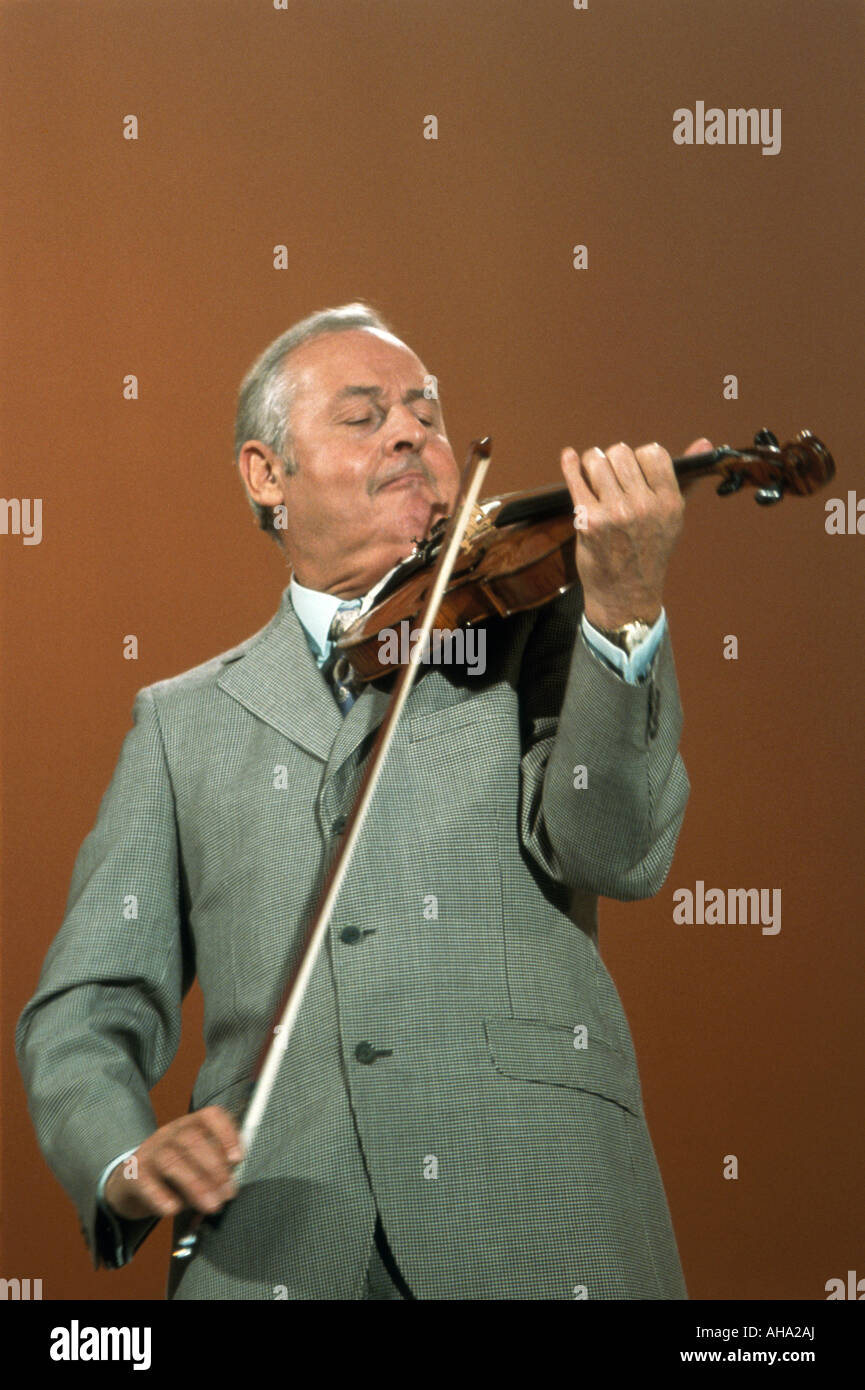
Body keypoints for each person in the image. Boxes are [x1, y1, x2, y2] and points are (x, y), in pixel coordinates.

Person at [17, 302, 711, 1299]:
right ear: (266, 476)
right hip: (274, 1244)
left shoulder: (538, 629)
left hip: (538, 1219)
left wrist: (626, 610)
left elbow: (619, 851)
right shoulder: (180, 723)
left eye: (426, 414)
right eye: (363, 414)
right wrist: (124, 1162)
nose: (410, 432)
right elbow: (81, 1010)